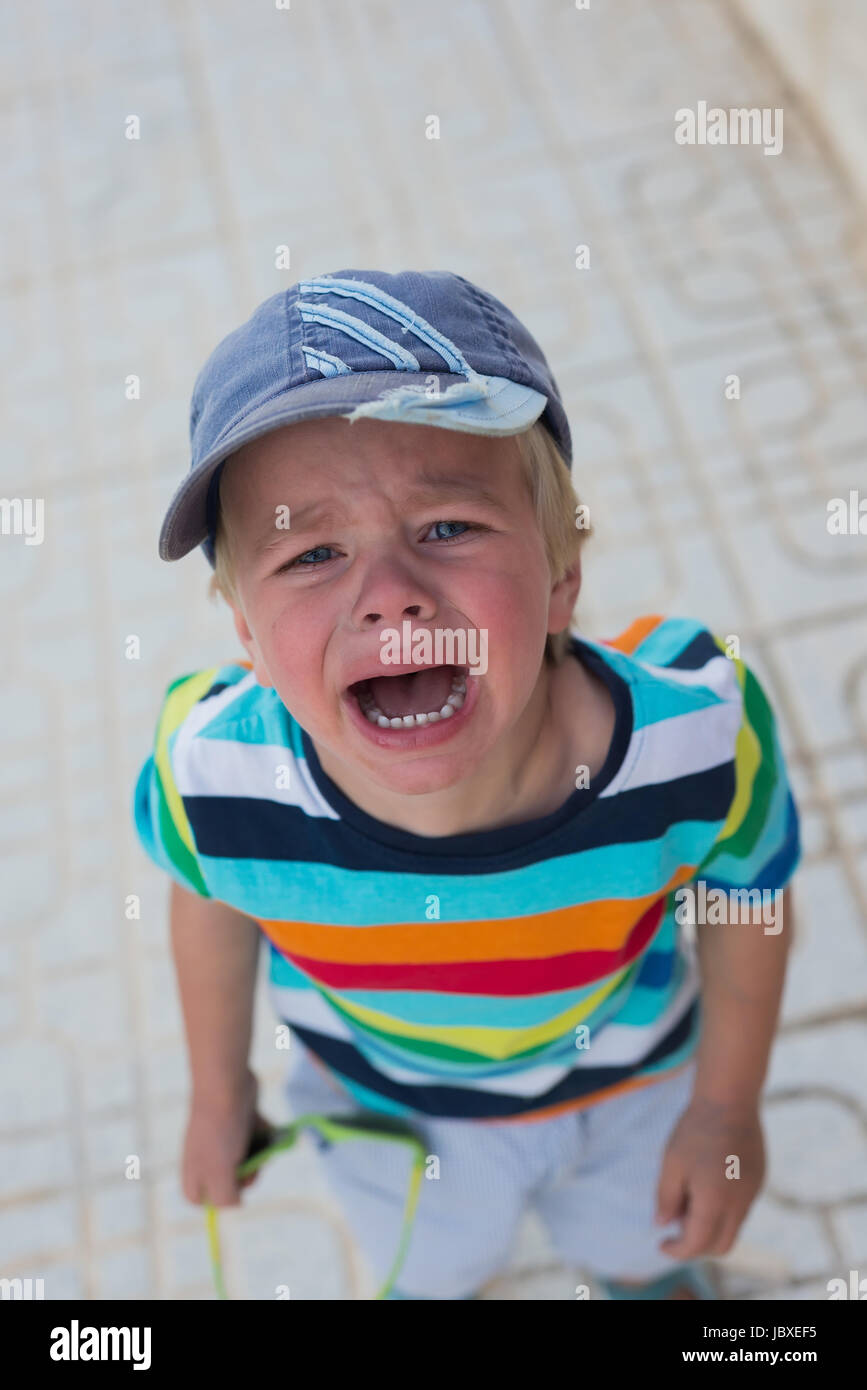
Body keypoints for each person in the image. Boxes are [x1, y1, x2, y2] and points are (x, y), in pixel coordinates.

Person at [132, 269, 800, 1300]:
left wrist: (725, 1108)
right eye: (312, 551)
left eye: (447, 526)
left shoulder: (695, 740)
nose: (391, 598)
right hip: (389, 1110)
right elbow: (211, 903)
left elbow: (749, 897)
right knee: (432, 1270)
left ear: (561, 577)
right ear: (247, 639)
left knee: (645, 1249)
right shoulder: (218, 779)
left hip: (632, 1088)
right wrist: (220, 1090)